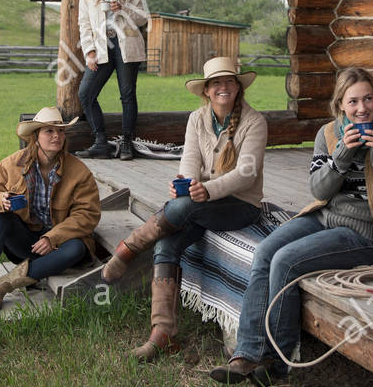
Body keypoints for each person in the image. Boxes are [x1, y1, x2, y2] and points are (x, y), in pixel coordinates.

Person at [212, 67, 373, 386]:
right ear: (340, 105)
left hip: (368, 232)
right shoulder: (328, 134)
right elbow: (319, 190)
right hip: (325, 216)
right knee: (266, 251)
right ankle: (246, 353)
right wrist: (341, 156)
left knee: (286, 261)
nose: (362, 108)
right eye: (353, 102)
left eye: (368, 99)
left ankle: (277, 361)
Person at [101, 57, 268, 361]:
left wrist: (206, 190)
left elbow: (247, 173)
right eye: (216, 83)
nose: (223, 87)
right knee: (167, 240)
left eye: (229, 81)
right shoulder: (197, 119)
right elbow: (189, 161)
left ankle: (129, 248)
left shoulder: (254, 121)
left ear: (238, 87)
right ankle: (162, 333)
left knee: (181, 210)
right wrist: (186, 184)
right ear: (206, 90)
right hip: (202, 203)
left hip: (241, 205)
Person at [0, 107, 101, 313]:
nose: (57, 136)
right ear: (35, 137)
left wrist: (53, 237)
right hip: (26, 243)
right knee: (1, 217)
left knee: (77, 248)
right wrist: (1, 200)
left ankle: (3, 286)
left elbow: (87, 215)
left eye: (60, 131)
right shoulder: (11, 164)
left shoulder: (79, 171)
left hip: (58, 247)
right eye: (49, 131)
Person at [76, 0, 149, 161]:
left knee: (127, 95)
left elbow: (143, 18)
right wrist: (89, 52)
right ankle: (100, 143)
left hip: (127, 45)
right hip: (101, 47)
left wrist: (123, 8)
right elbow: (84, 24)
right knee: (86, 93)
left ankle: (127, 142)